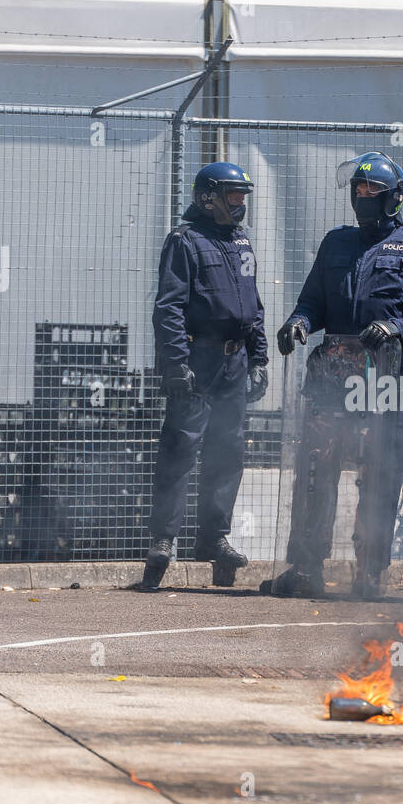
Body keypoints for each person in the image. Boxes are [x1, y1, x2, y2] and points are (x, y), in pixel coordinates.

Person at [262, 151, 403, 599]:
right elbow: (312, 301)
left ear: (393, 198)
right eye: (358, 190)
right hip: (331, 376)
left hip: (385, 378)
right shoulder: (335, 242)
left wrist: (396, 328)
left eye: (372, 192)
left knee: (379, 475)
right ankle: (305, 569)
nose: (363, 197)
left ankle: (369, 575)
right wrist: (298, 322)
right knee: (314, 469)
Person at [137, 161, 267, 591]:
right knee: (178, 453)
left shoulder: (241, 240)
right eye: (233, 195)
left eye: (243, 195)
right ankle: (162, 542)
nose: (240, 202)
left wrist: (259, 357)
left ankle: (214, 538)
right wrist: (176, 364)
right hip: (197, 360)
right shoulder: (184, 241)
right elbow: (168, 308)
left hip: (234, 364)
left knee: (227, 455)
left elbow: (252, 303)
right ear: (208, 197)